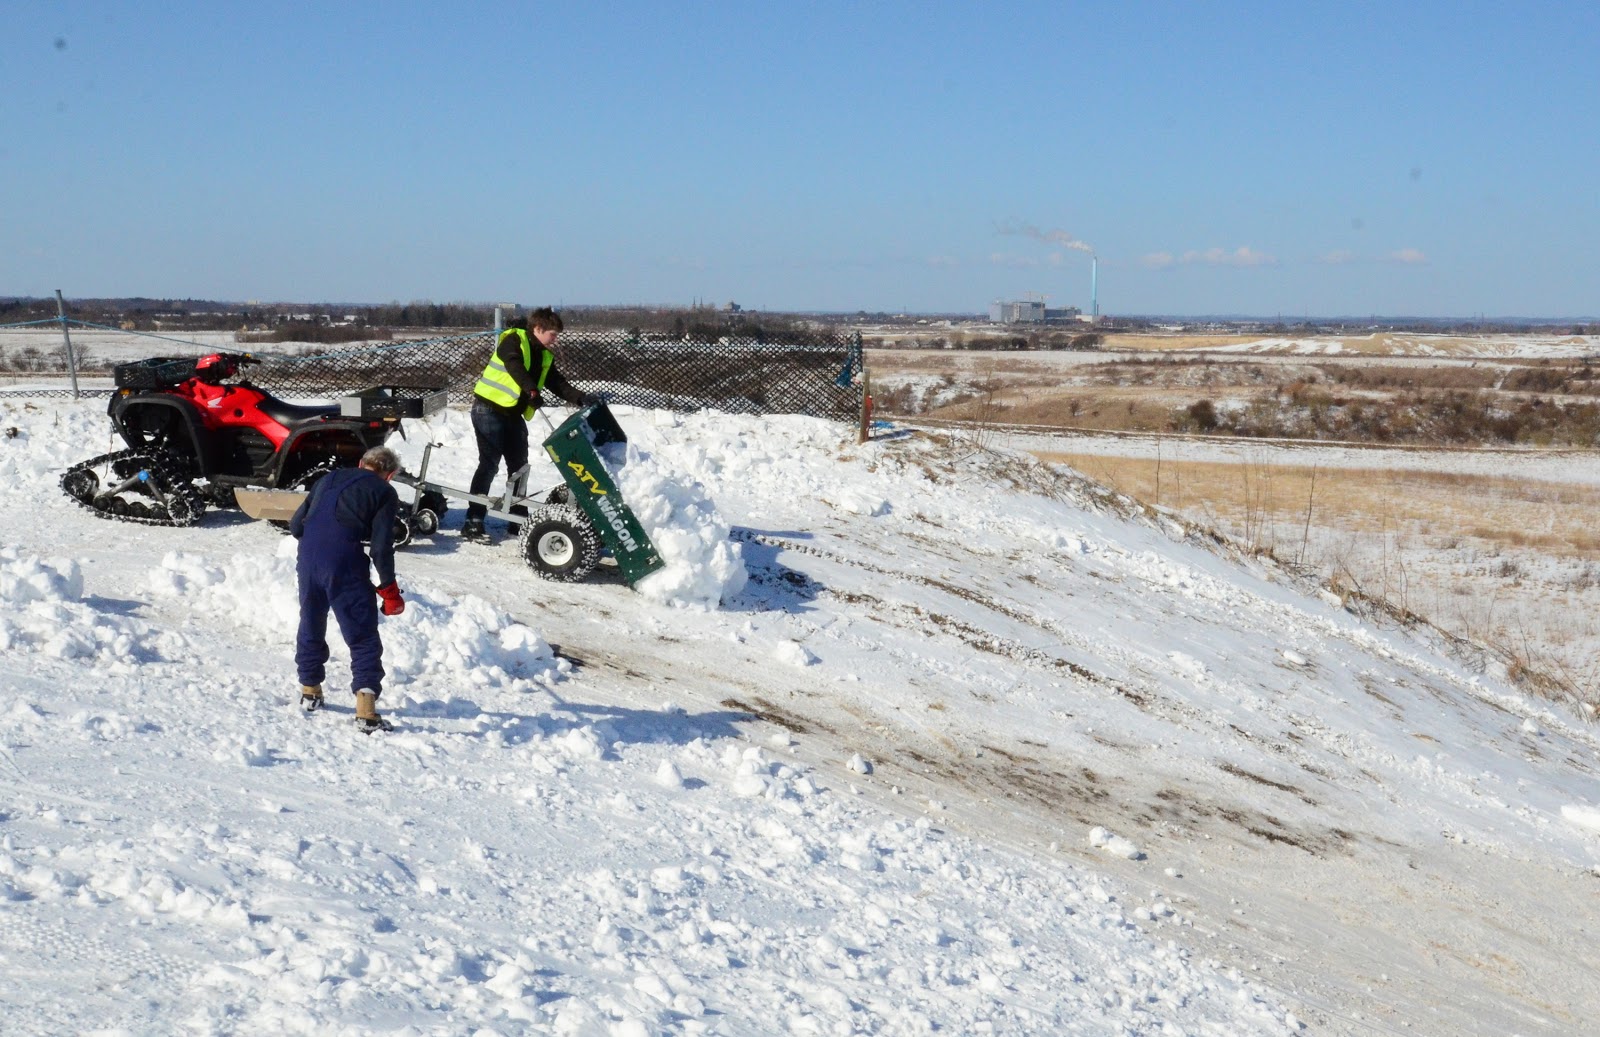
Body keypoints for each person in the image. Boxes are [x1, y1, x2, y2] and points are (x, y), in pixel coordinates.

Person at [290, 445, 406, 732]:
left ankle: (310, 689)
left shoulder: (327, 479)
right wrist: (389, 590)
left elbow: (295, 526)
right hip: (343, 561)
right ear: (389, 475)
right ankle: (366, 710)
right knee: (362, 631)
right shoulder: (384, 492)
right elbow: (381, 549)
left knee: (311, 619)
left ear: (361, 463)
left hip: (307, 558)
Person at [462, 306, 594, 544]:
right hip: (488, 409)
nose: (555, 340)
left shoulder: (544, 354)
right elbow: (513, 365)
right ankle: (473, 520)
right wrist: (530, 388)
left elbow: (557, 382)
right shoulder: (513, 339)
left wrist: (581, 398)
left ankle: (516, 517)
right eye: (553, 334)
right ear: (538, 328)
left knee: (520, 466)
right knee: (489, 464)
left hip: (513, 413)